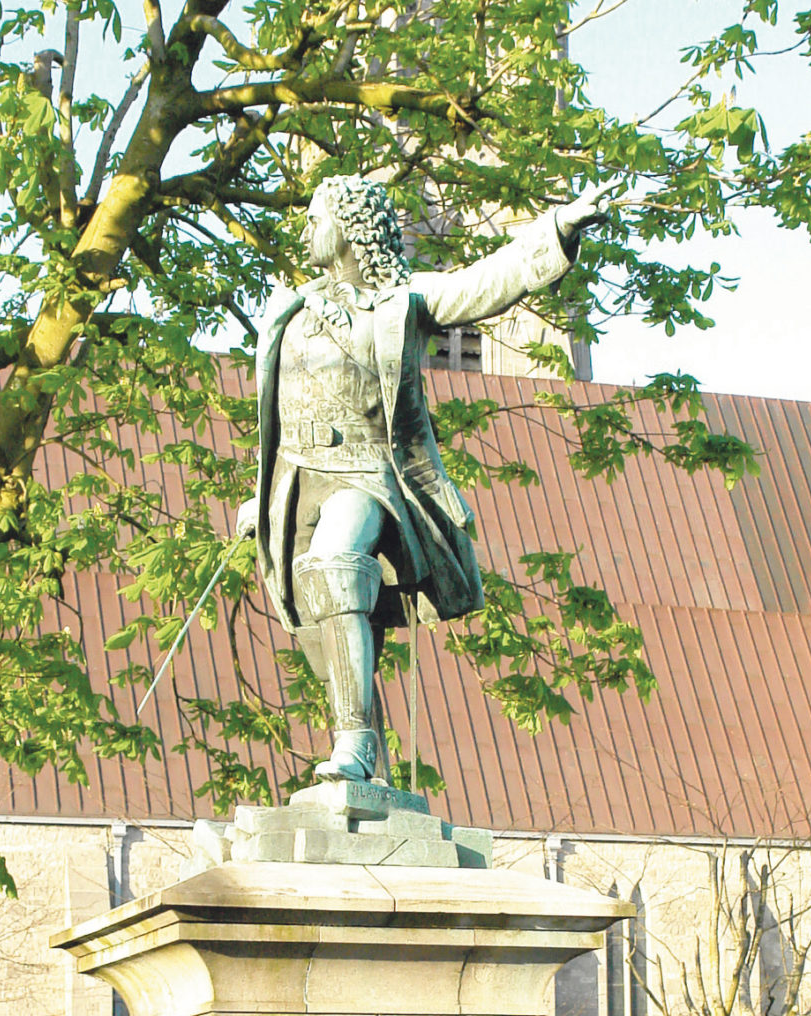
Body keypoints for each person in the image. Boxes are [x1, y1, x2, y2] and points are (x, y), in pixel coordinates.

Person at [235, 173, 621, 784]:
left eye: (315, 217)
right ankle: (369, 766)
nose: (306, 229)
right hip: (297, 481)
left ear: (350, 229)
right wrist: (258, 497)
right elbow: (278, 416)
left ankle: (357, 746)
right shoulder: (290, 310)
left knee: (336, 562)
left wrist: (558, 228)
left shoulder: (401, 302)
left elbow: (484, 283)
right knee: (316, 629)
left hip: (368, 474)